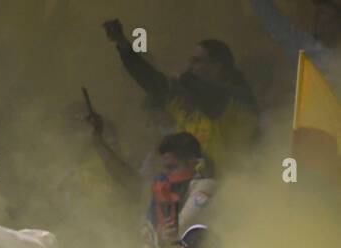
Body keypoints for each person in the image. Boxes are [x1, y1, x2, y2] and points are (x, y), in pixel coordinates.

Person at [103, 20, 259, 170]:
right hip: (194, 186)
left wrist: (184, 80)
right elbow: (149, 78)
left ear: (217, 67)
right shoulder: (179, 101)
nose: (190, 67)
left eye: (196, 61)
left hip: (232, 185)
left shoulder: (234, 99)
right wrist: (122, 43)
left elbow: (211, 97)